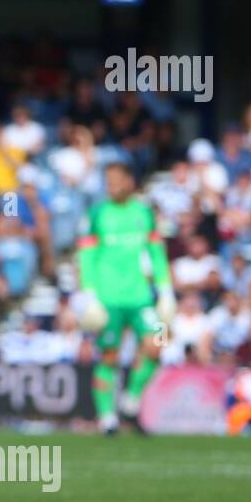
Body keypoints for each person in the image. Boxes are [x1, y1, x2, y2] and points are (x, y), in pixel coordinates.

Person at [77, 162, 176, 434]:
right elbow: (86, 257)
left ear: (130, 182)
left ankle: (131, 399)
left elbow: (156, 254)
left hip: (141, 298)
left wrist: (166, 291)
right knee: (109, 357)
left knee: (157, 343)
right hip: (108, 299)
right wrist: (90, 296)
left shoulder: (144, 213)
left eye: (116, 181)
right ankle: (107, 417)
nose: (111, 186)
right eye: (107, 181)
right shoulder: (97, 214)